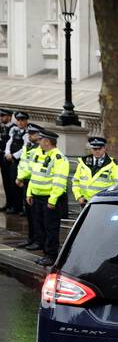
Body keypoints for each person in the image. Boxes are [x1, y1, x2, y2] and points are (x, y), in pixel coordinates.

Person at [26, 128, 71, 267]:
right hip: (38, 196)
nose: (39, 142)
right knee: (41, 226)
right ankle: (46, 253)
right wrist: (29, 192)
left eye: (41, 140)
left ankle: (51, 255)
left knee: (51, 227)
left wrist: (52, 199)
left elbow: (59, 181)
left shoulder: (59, 158)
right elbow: (34, 175)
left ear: (47, 141)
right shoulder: (40, 154)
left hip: (50, 199)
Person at [72, 136, 118, 207]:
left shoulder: (113, 164)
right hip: (85, 203)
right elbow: (75, 181)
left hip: (103, 203)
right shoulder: (83, 163)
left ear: (104, 149)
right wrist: (79, 197)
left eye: (99, 149)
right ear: (91, 149)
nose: (97, 151)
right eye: (94, 149)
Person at [16, 124, 43, 249]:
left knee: (35, 215)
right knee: (29, 213)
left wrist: (21, 177)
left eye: (32, 134)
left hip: (32, 182)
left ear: (38, 135)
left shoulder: (38, 149)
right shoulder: (27, 146)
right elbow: (22, 164)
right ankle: (31, 238)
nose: (30, 136)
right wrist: (19, 177)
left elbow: (32, 168)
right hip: (25, 182)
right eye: (30, 134)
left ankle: (38, 240)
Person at [0, 108, 19, 214]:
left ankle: (15, 205)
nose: (1, 118)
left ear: (9, 116)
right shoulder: (2, 127)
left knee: (12, 182)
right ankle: (9, 203)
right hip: (3, 156)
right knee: (6, 182)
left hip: (11, 158)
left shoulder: (14, 128)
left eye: (3, 116)